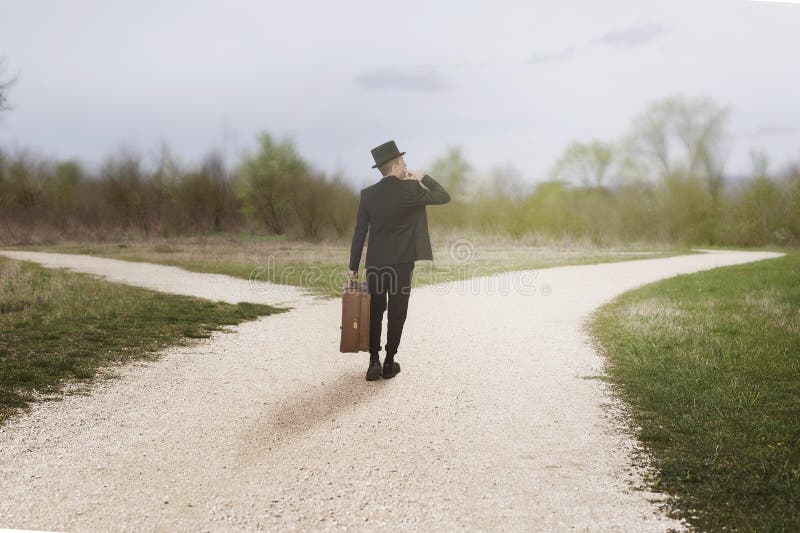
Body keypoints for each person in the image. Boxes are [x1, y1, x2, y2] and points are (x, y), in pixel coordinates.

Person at [348, 140, 451, 381]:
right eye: (403, 161)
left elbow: (359, 232)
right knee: (397, 312)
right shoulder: (411, 190)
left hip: (375, 264)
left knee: (374, 311)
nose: (406, 164)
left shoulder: (367, 195)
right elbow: (443, 196)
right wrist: (423, 178)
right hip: (402, 265)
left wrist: (353, 266)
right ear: (395, 165)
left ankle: (373, 361)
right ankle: (389, 361)